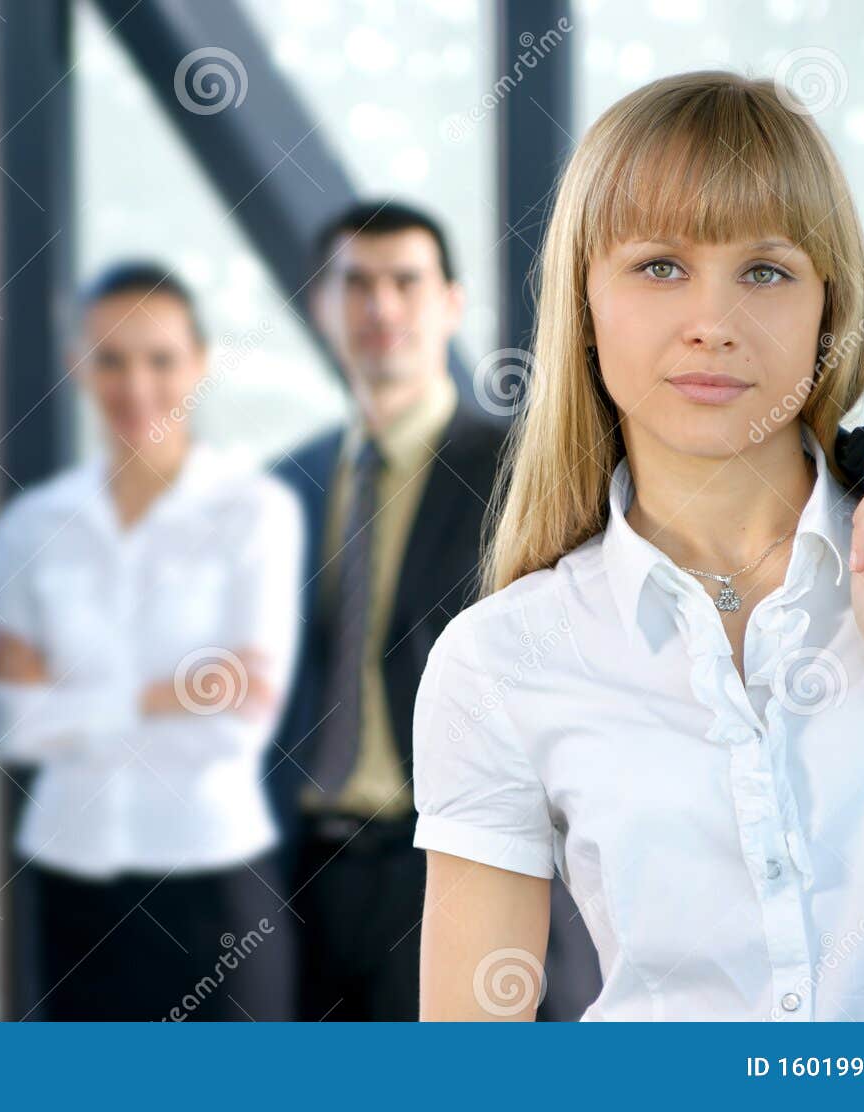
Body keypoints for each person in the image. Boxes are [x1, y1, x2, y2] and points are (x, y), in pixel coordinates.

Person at [413, 71, 864, 1022]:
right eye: (659, 266)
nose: (713, 325)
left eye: (765, 271)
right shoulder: (499, 658)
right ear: (583, 305)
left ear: (826, 308)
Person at [272, 201, 598, 1021]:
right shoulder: (285, 485)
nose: (381, 307)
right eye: (356, 284)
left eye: (405, 283)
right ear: (321, 305)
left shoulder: (520, 469)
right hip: (301, 879)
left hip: (453, 859)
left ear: (451, 303)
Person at [0, 263, 301, 1021]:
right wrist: (166, 694)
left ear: (199, 364)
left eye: (160, 359)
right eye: (111, 360)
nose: (137, 385)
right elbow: (11, 726)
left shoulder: (255, 512)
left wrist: (71, 703)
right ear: (77, 367)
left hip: (213, 886)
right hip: (67, 881)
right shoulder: (33, 526)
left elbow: (237, 724)